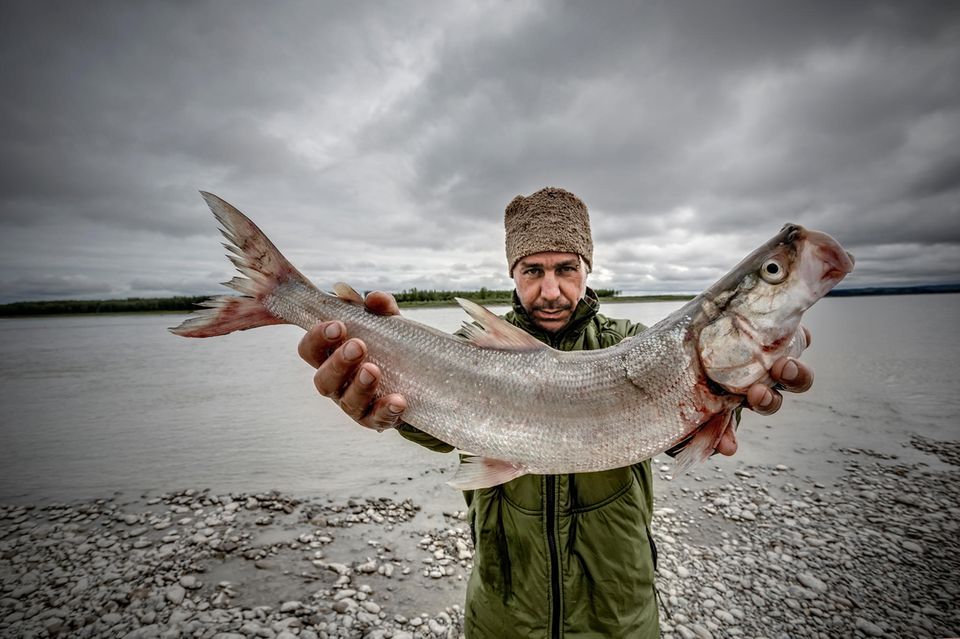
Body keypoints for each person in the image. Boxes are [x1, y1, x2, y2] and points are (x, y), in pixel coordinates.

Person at [298, 187, 814, 638]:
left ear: (587, 269)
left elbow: (682, 428)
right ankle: (284, 299)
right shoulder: (472, 350)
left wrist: (732, 404)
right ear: (513, 273)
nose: (550, 291)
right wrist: (385, 408)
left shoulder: (634, 344)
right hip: (502, 616)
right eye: (533, 271)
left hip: (618, 617)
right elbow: (438, 428)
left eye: (566, 269)